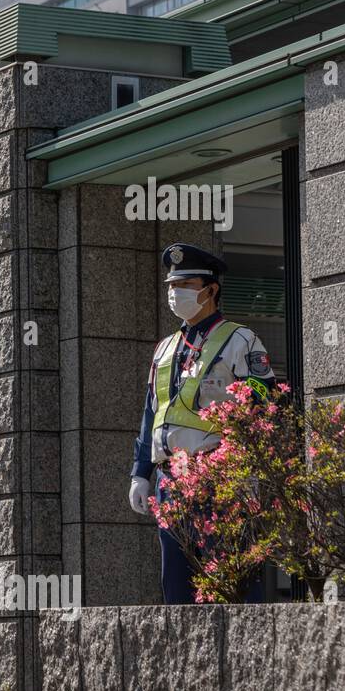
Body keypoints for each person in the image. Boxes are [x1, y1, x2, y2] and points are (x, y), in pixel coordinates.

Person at [127, 243, 277, 604]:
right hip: (169, 481)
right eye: (170, 287)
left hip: (219, 476)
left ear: (210, 290)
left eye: (185, 286)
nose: (174, 294)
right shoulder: (164, 348)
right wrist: (140, 472)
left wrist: (244, 465)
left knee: (231, 579)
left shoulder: (240, 340)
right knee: (176, 586)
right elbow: (153, 413)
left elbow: (266, 399)